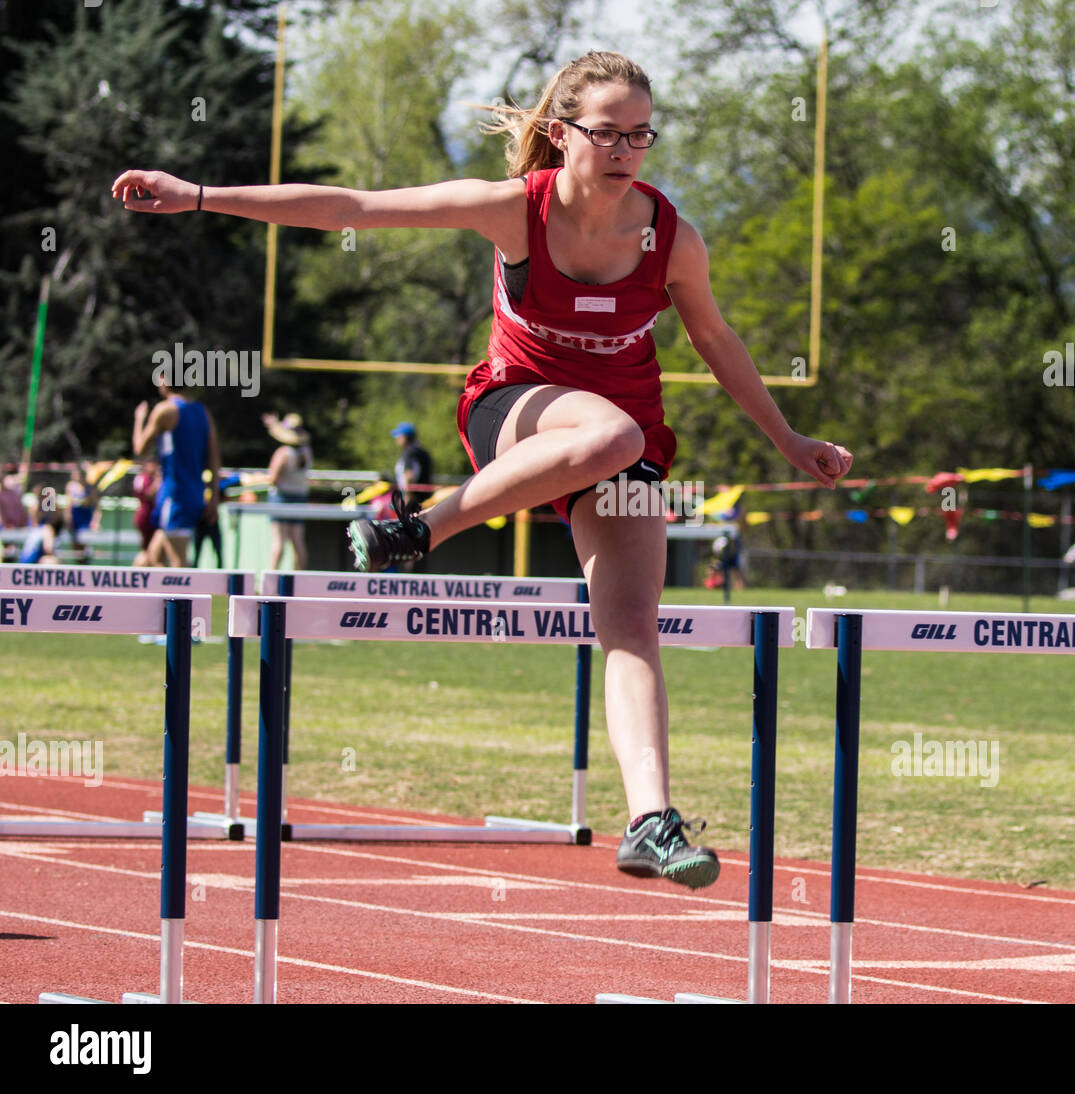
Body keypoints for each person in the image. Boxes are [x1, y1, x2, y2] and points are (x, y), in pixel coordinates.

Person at [110, 50, 853, 889]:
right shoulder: (512, 210)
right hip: (518, 410)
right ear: (561, 132)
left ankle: (650, 818)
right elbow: (352, 206)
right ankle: (421, 527)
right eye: (607, 133)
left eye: (641, 136)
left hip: (625, 431)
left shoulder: (671, 237)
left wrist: (790, 440)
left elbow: (716, 342)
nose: (624, 151)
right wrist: (200, 195)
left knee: (632, 627)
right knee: (610, 436)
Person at [131, 381, 221, 568]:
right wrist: (213, 496)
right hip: (193, 493)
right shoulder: (201, 411)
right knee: (151, 560)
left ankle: (191, 597)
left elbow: (139, 448)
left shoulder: (166, 410)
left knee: (179, 563)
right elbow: (214, 456)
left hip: (175, 496)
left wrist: (139, 418)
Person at [262, 412, 311, 571]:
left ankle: (270, 580)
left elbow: (272, 478)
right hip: (300, 497)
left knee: (278, 542)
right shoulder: (307, 452)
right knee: (298, 542)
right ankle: (300, 579)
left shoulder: (283, 453)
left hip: (281, 498)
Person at [391, 422, 434, 512]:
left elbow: (409, 474)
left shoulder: (409, 452)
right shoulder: (421, 452)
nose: (396, 439)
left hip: (413, 498)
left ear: (405, 437)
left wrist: (407, 495)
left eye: (398, 436)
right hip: (426, 497)